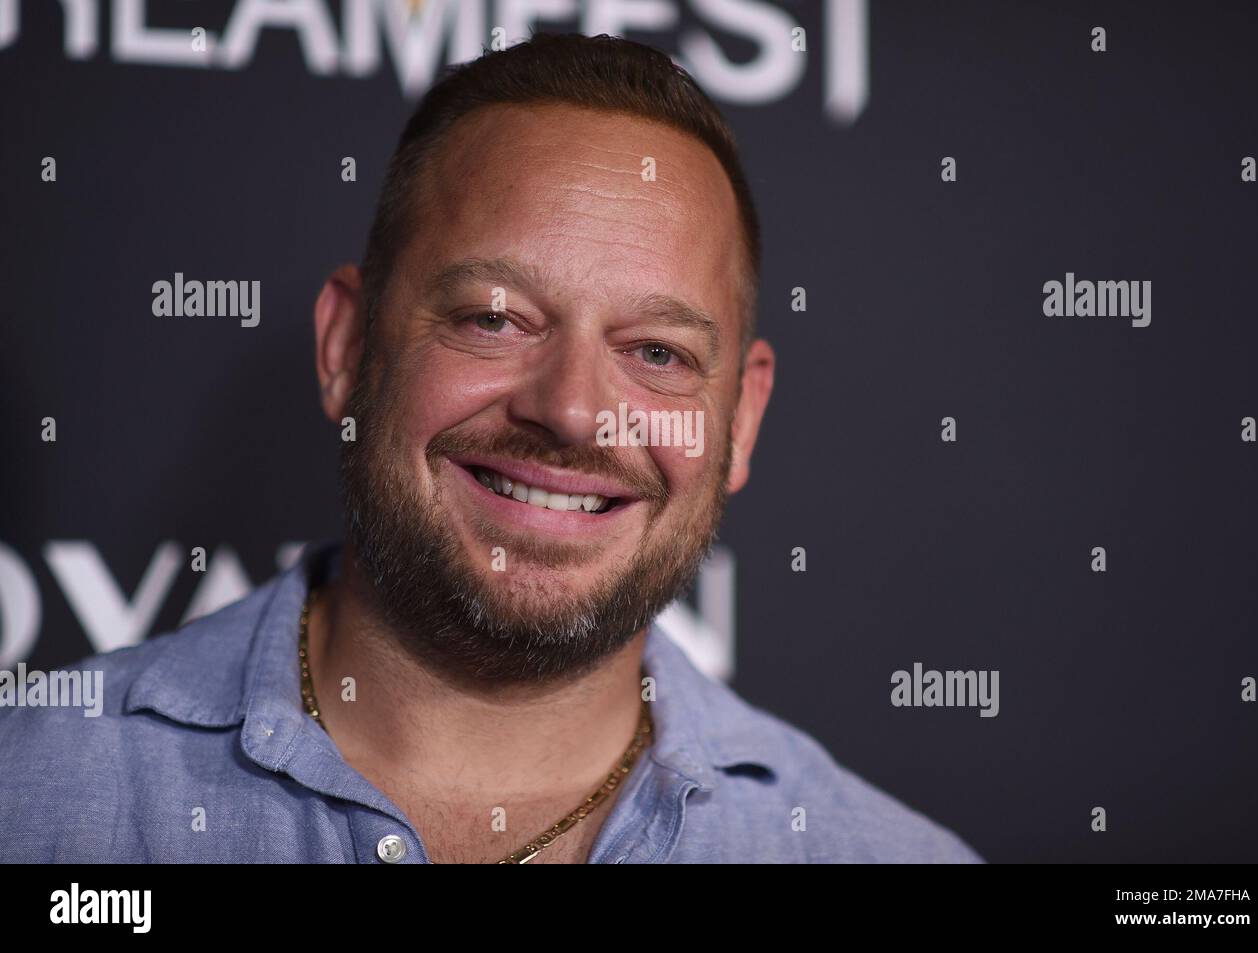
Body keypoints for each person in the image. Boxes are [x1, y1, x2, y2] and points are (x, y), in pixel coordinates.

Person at [0, 33, 981, 864]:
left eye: (655, 351)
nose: (571, 410)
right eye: (495, 319)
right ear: (346, 345)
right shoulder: (34, 799)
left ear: (743, 419)